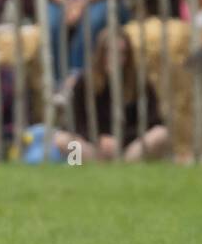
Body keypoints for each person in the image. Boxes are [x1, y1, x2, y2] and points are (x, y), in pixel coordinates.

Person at [54, 27, 169, 162]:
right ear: (101, 53)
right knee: (62, 139)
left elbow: (153, 121)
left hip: (129, 147)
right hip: (94, 148)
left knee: (161, 134)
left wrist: (121, 140)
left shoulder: (139, 82)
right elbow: (75, 123)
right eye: (110, 52)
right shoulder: (84, 82)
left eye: (121, 53)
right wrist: (98, 139)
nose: (115, 58)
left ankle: (127, 165)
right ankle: (81, 167)